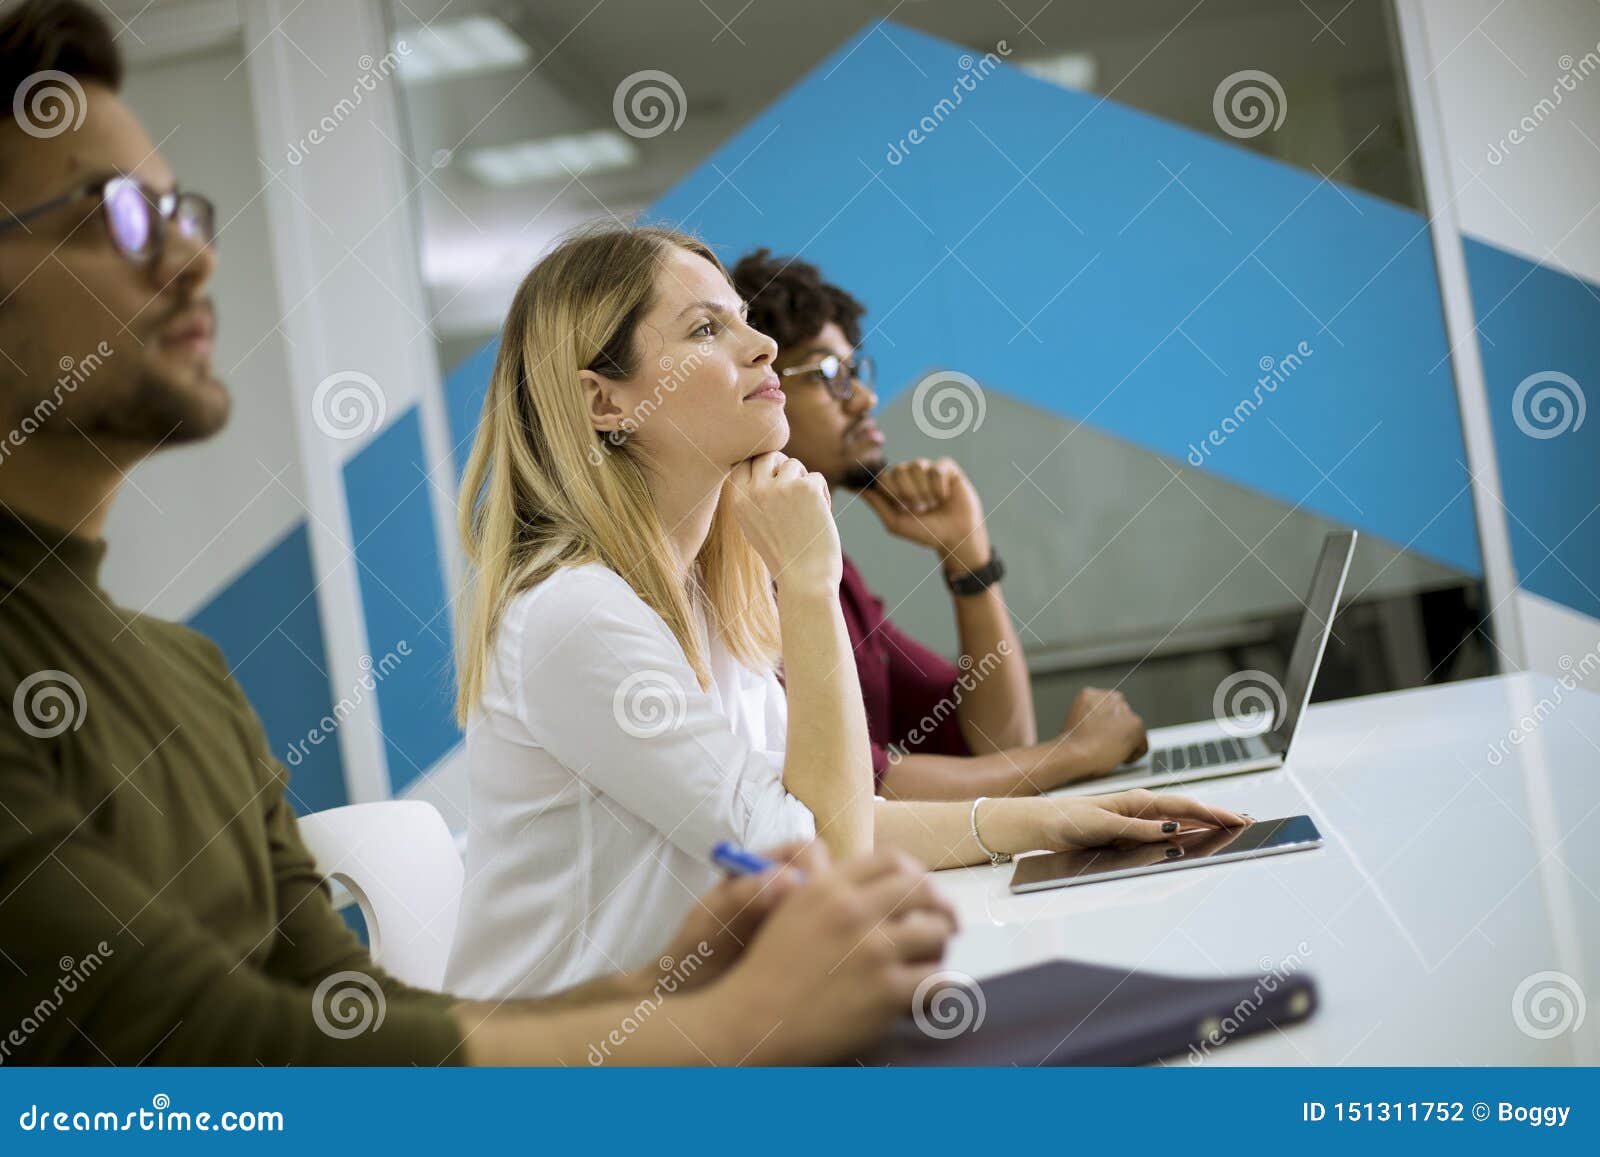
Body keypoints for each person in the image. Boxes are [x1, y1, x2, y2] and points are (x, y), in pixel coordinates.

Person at [0, 0, 962, 1067]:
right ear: (603, 400)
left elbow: (342, 1013)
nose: (192, 258)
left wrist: (650, 990)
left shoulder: (191, 677)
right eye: (114, 212)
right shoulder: (575, 612)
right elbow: (186, 1051)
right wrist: (717, 1022)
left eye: (177, 211)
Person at [445, 223, 1248, 997]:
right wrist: (806, 577)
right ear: (604, 403)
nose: (761, 346)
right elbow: (822, 858)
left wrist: (1062, 822)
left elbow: (837, 820)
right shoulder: (579, 616)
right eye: (705, 329)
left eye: (746, 320)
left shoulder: (710, 595)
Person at [731, 249, 1150, 801]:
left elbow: (992, 744)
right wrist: (1075, 754)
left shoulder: (832, 575)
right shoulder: (739, 579)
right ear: (760, 387)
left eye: (856, 371)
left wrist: (968, 558)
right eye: (828, 374)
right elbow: (861, 787)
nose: (865, 398)